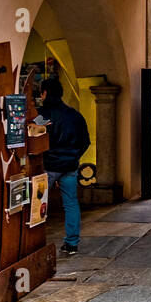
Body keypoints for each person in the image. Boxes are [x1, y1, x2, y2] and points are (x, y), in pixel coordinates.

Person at [38, 77, 90, 256]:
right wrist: (73, 157)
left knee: (38, 205)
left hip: (48, 166)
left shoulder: (41, 116)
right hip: (70, 166)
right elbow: (85, 141)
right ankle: (72, 243)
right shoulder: (75, 115)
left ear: (44, 93)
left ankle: (36, 244)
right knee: (71, 203)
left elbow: (34, 140)